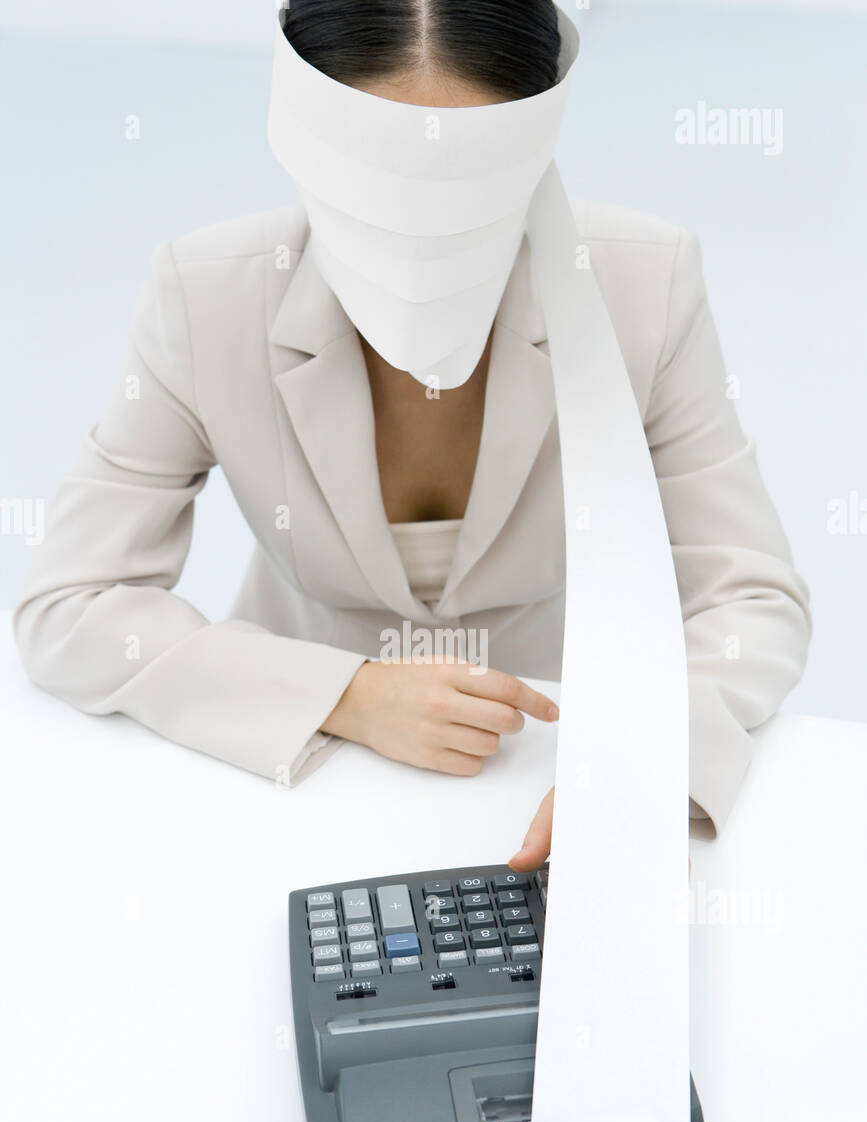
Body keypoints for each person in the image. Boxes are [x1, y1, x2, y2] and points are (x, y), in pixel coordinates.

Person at [13, 0, 811, 870]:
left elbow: (750, 600)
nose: (422, 247)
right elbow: (69, 605)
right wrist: (344, 694)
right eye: (380, 193)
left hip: (542, 771)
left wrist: (640, 765)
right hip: (281, 774)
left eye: (467, 198)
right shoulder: (207, 296)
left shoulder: (641, 283)